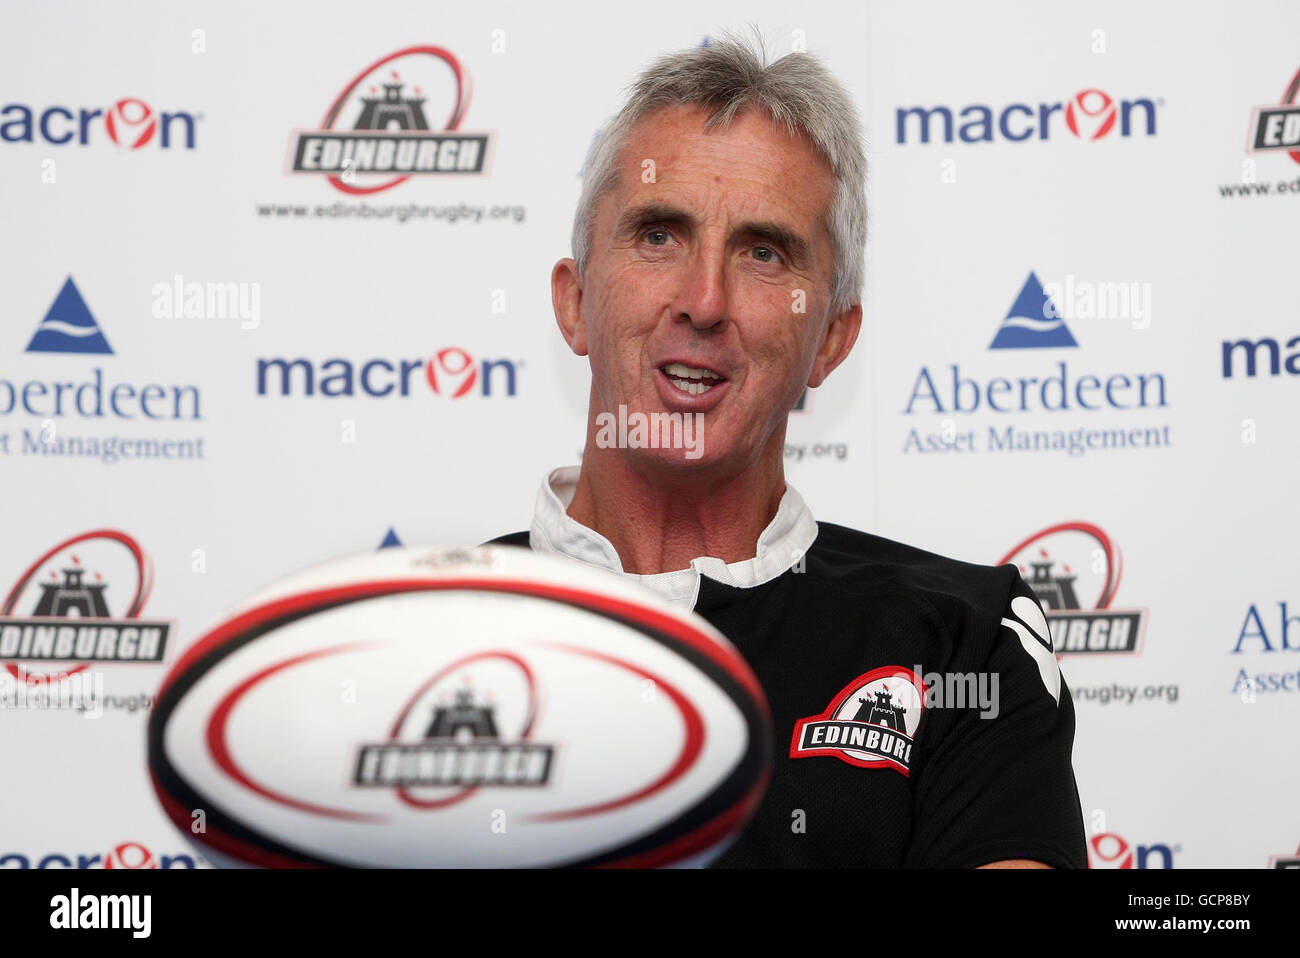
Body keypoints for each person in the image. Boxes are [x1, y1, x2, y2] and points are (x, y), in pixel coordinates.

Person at [490, 33, 1087, 868]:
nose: (703, 301)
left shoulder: (966, 639)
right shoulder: (404, 636)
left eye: (764, 253)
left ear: (832, 338)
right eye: (660, 235)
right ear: (576, 301)